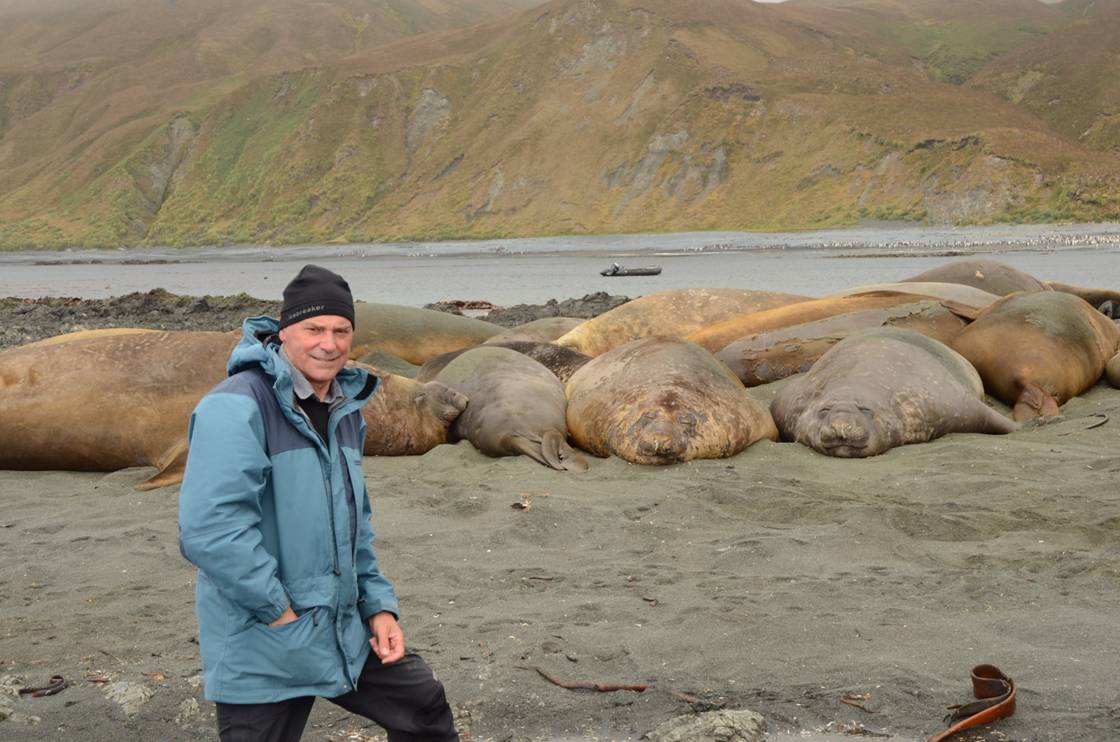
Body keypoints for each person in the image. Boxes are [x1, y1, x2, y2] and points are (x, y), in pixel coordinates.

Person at [178, 264, 459, 742]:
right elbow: (210, 530)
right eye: (314, 329)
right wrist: (279, 613)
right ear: (284, 331)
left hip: (343, 624)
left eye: (341, 330)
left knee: (423, 707)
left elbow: (355, 526)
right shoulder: (236, 406)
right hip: (266, 634)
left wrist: (380, 608)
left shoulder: (345, 410)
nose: (328, 343)